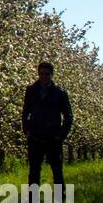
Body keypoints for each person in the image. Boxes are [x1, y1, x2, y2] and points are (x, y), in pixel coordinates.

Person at [22, 61, 72, 193]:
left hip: (53, 137)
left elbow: (68, 116)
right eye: (41, 74)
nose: (44, 76)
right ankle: (32, 200)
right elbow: (25, 112)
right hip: (35, 136)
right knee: (34, 170)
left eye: (47, 74)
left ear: (52, 74)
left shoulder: (60, 93)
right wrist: (26, 130)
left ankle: (60, 198)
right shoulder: (31, 90)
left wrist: (61, 135)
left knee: (57, 170)